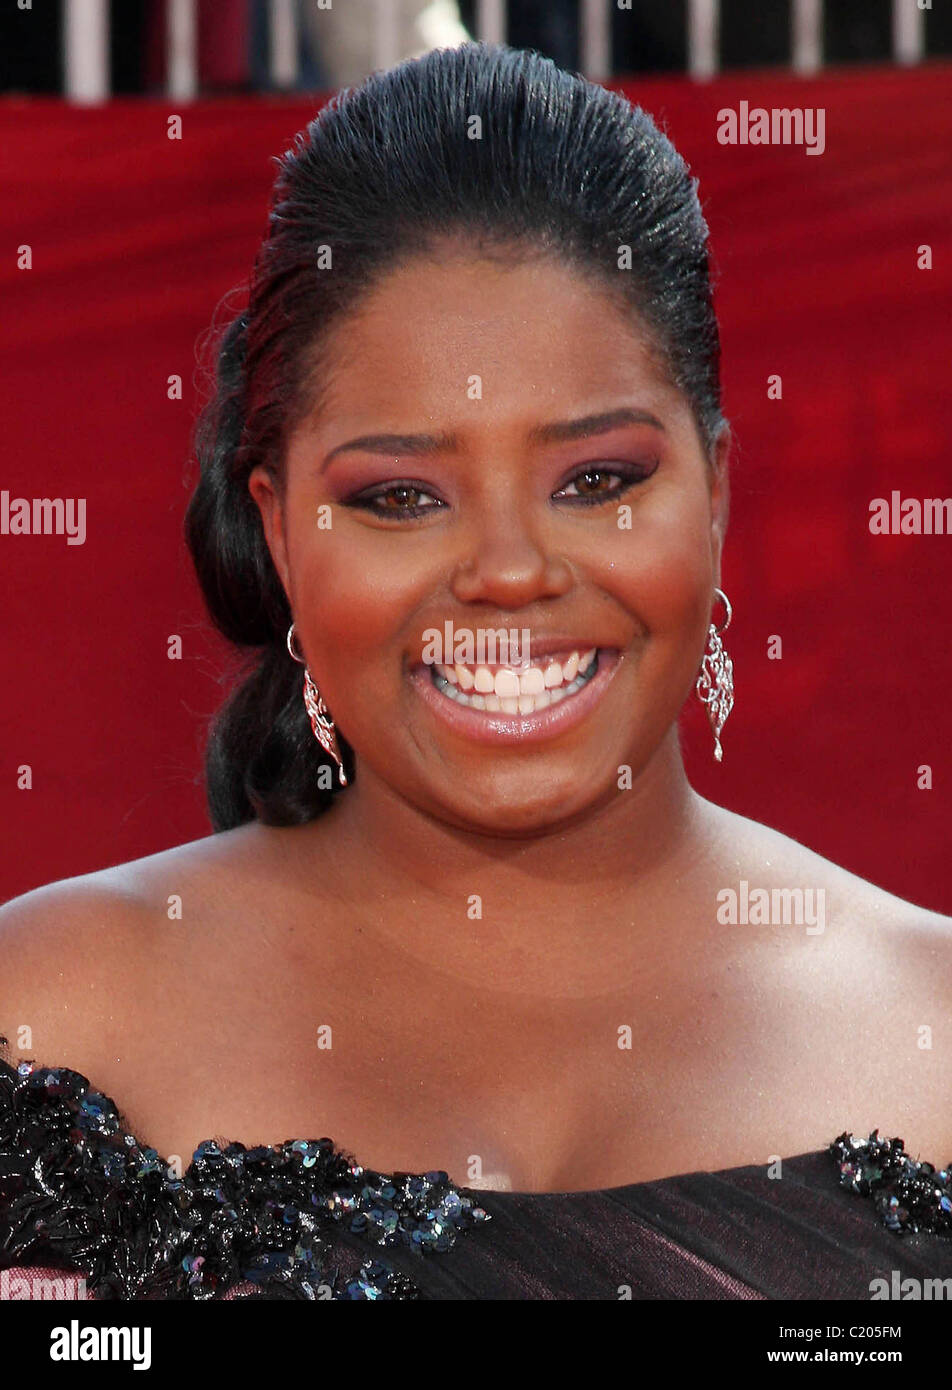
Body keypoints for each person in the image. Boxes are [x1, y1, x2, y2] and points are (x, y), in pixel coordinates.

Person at [1, 42, 950, 1302]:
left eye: (598, 480)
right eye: (400, 497)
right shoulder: (50, 1016)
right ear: (280, 528)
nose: (508, 570)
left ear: (716, 488)